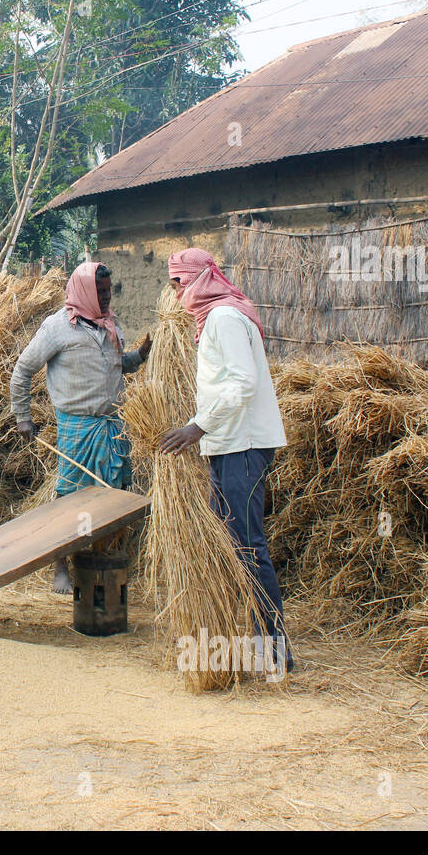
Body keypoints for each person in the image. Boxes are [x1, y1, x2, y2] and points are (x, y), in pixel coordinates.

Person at [157, 247, 293, 677]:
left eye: (178, 282)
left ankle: (274, 649)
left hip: (243, 446)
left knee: (250, 546)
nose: (176, 292)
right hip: (229, 444)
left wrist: (197, 426)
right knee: (236, 543)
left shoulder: (224, 318)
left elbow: (243, 383)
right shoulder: (215, 317)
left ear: (197, 280)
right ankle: (256, 640)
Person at [11, 261, 151, 592]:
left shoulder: (109, 326)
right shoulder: (58, 327)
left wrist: (140, 355)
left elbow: (119, 367)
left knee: (112, 494)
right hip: (77, 425)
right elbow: (23, 370)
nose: (105, 298)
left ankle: (102, 558)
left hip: (113, 425)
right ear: (85, 290)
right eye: (99, 292)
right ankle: (61, 565)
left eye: (108, 292)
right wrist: (22, 416)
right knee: (70, 496)